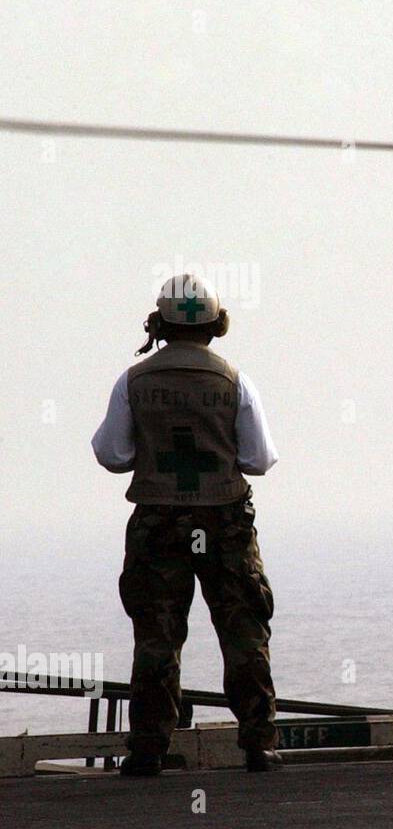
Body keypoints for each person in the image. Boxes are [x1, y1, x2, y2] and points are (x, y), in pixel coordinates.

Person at [92, 274, 281, 774]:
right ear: (217, 325)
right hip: (225, 522)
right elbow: (259, 459)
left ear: (158, 324)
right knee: (243, 632)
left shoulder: (133, 381)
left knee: (157, 637)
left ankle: (147, 749)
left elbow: (112, 455)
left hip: (157, 522)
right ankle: (259, 745)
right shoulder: (235, 381)